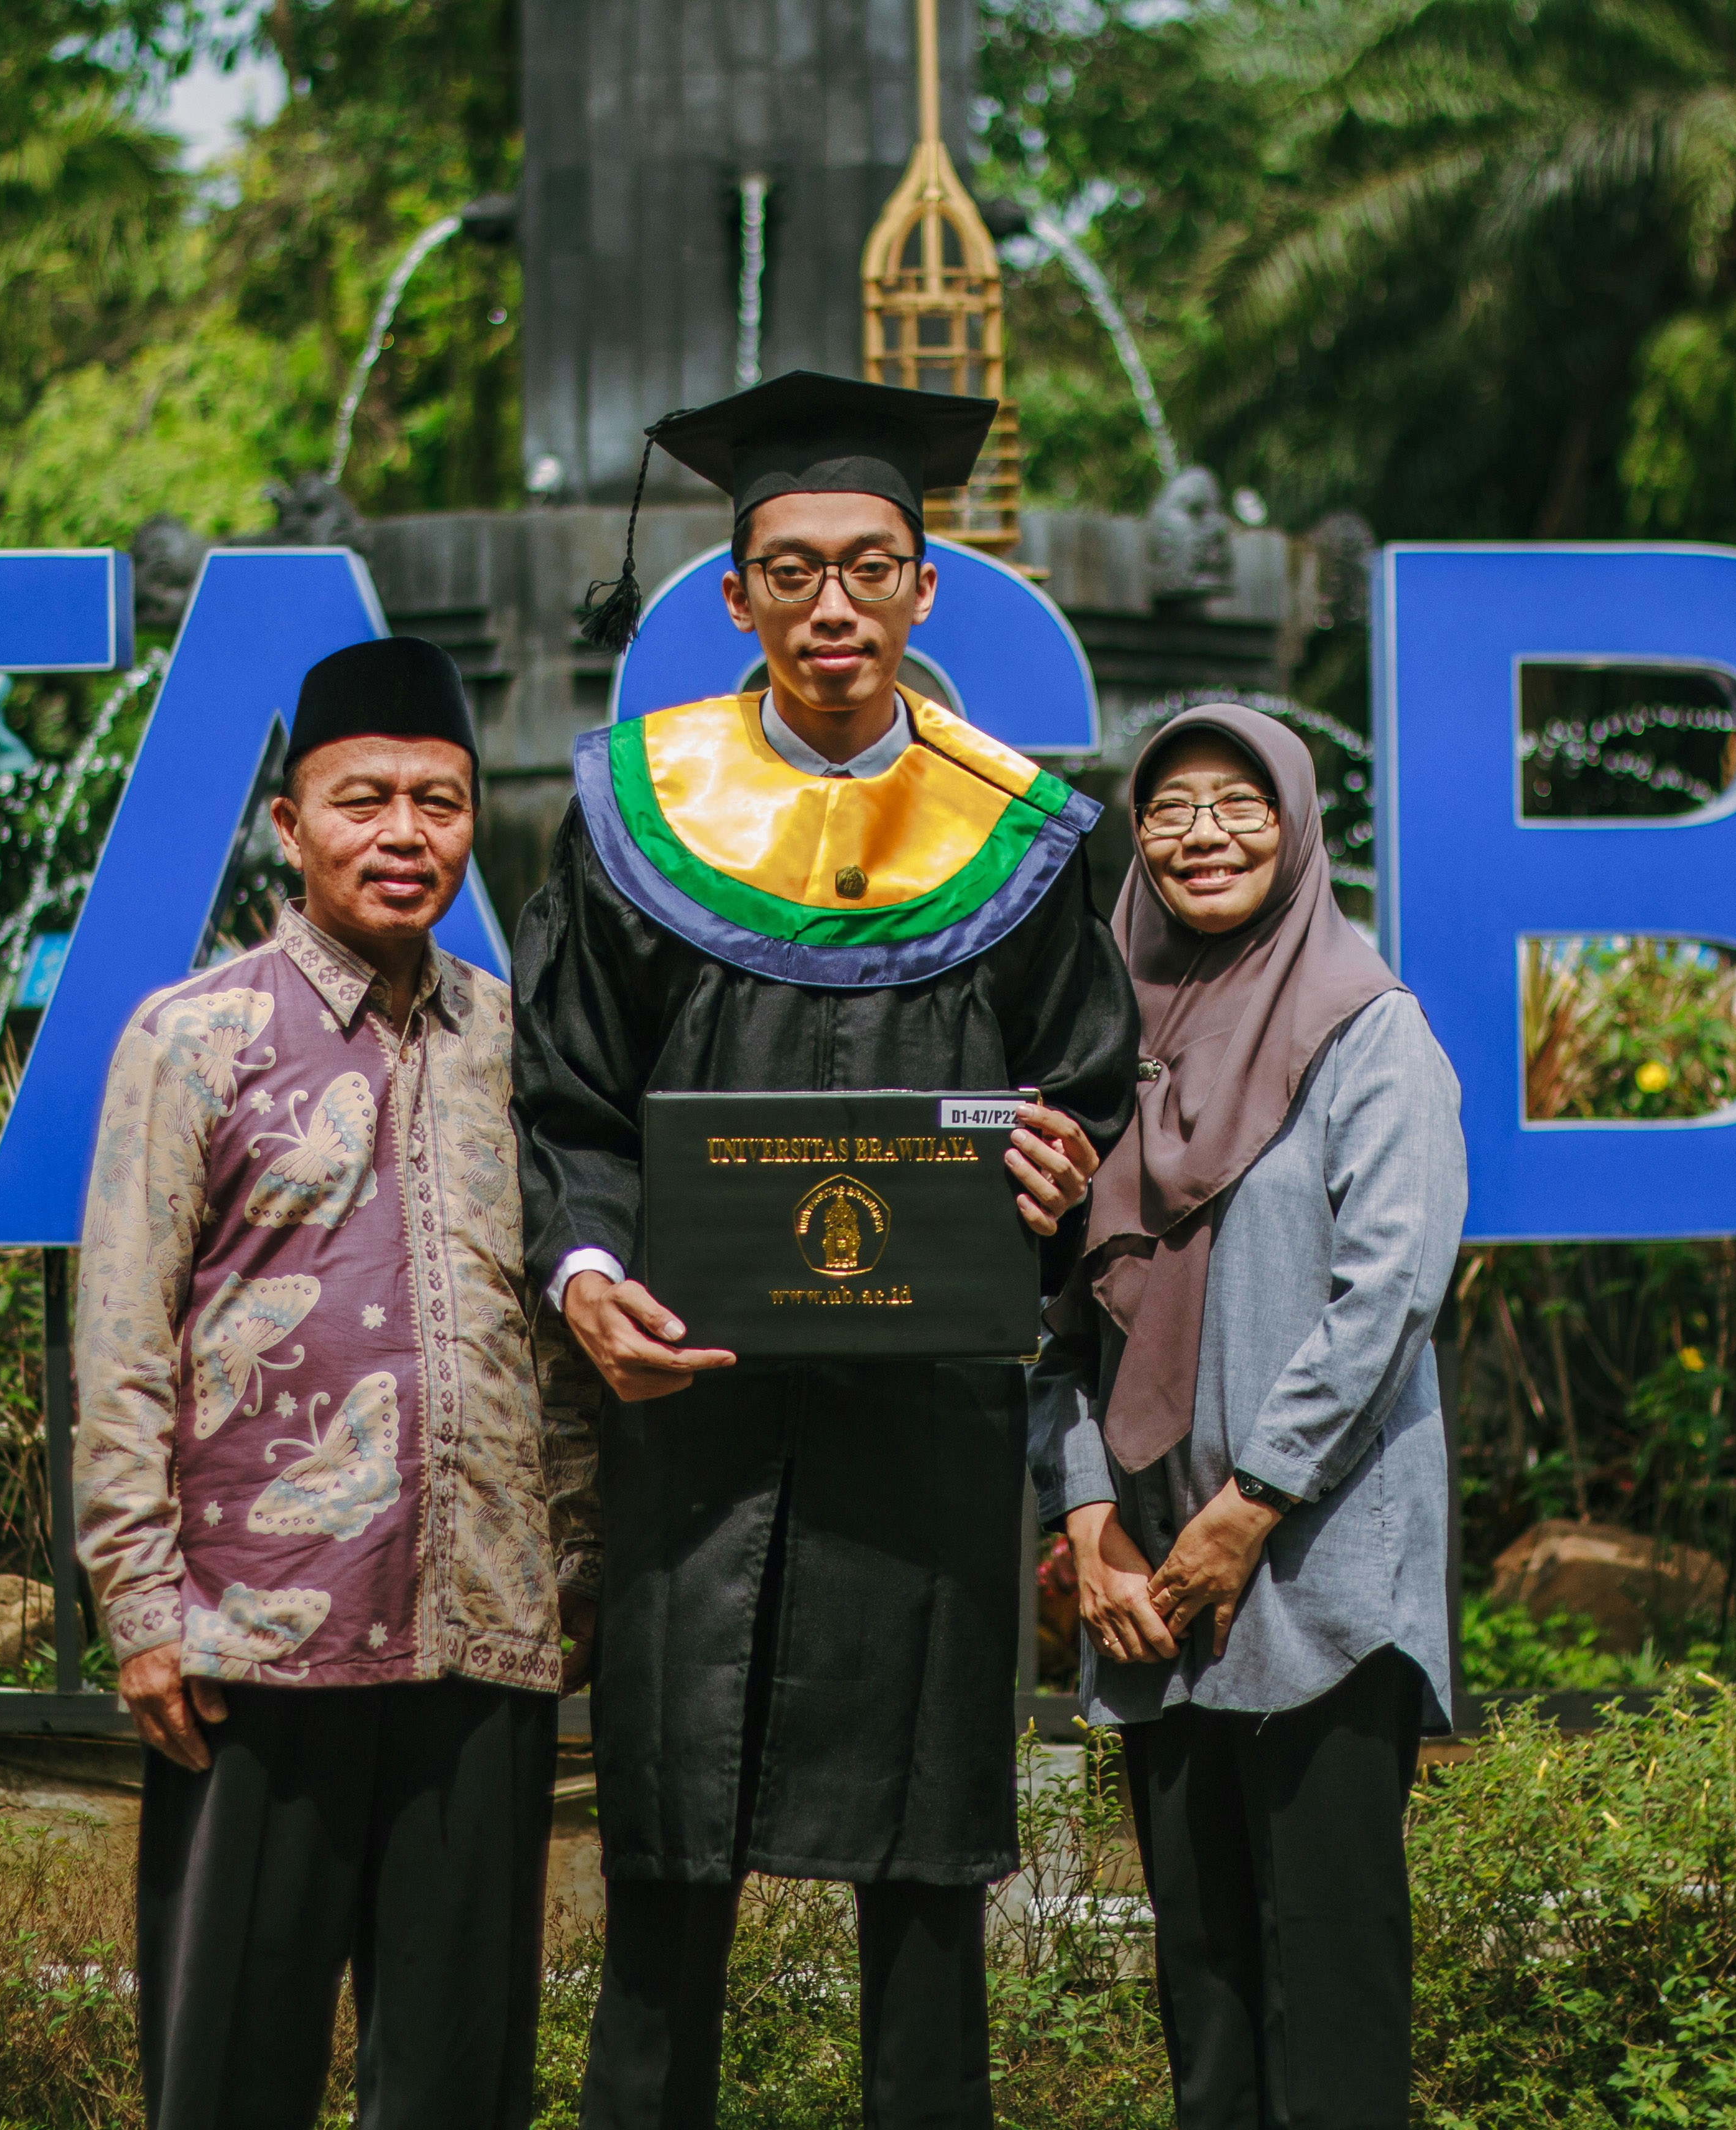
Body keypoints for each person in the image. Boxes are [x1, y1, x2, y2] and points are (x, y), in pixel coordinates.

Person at [516, 369, 1139, 2130]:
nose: (833, 605)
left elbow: (1088, 1091)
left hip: (922, 1417)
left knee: (926, 1874)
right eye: (790, 570)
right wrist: (586, 1280)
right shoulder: (641, 812)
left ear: (929, 589)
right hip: (692, 1414)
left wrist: (1058, 1163)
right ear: (735, 598)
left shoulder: (1018, 832)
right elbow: (566, 1102)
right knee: (668, 1859)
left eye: (870, 566)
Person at [75, 635, 595, 2130]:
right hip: (258, 1640)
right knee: (231, 2061)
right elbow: (121, 1331)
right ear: (288, 826)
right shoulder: (195, 1039)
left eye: (437, 801)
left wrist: (576, 1570)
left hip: (481, 1631)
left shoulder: (516, 1043)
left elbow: (556, 1332)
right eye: (362, 799)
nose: (404, 833)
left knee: (455, 2077)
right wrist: (140, 1600)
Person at [1029, 704, 1467, 2130]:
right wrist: (1088, 1517)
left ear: (1294, 824)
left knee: (1327, 1987)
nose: (1199, 832)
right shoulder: (1109, 1049)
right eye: (1166, 808)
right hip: (1156, 1588)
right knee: (1202, 1994)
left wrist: (1248, 1503)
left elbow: (1387, 1288)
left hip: (1313, 1570)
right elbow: (1060, 1310)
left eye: (1237, 802)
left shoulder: (1368, 1029)